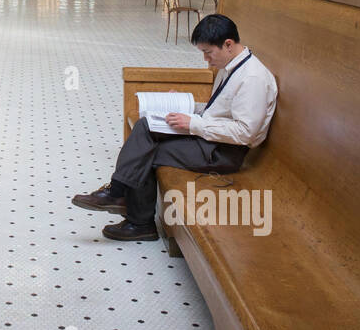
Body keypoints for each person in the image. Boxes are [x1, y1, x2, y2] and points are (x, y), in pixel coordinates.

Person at [71, 14, 277, 240]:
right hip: (211, 139)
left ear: (228, 44)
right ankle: (120, 195)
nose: (206, 60)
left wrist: (193, 123)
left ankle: (136, 218)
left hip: (223, 152)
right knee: (145, 125)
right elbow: (220, 108)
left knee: (148, 152)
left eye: (208, 52)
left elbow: (244, 133)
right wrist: (188, 106)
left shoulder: (253, 78)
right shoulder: (232, 66)